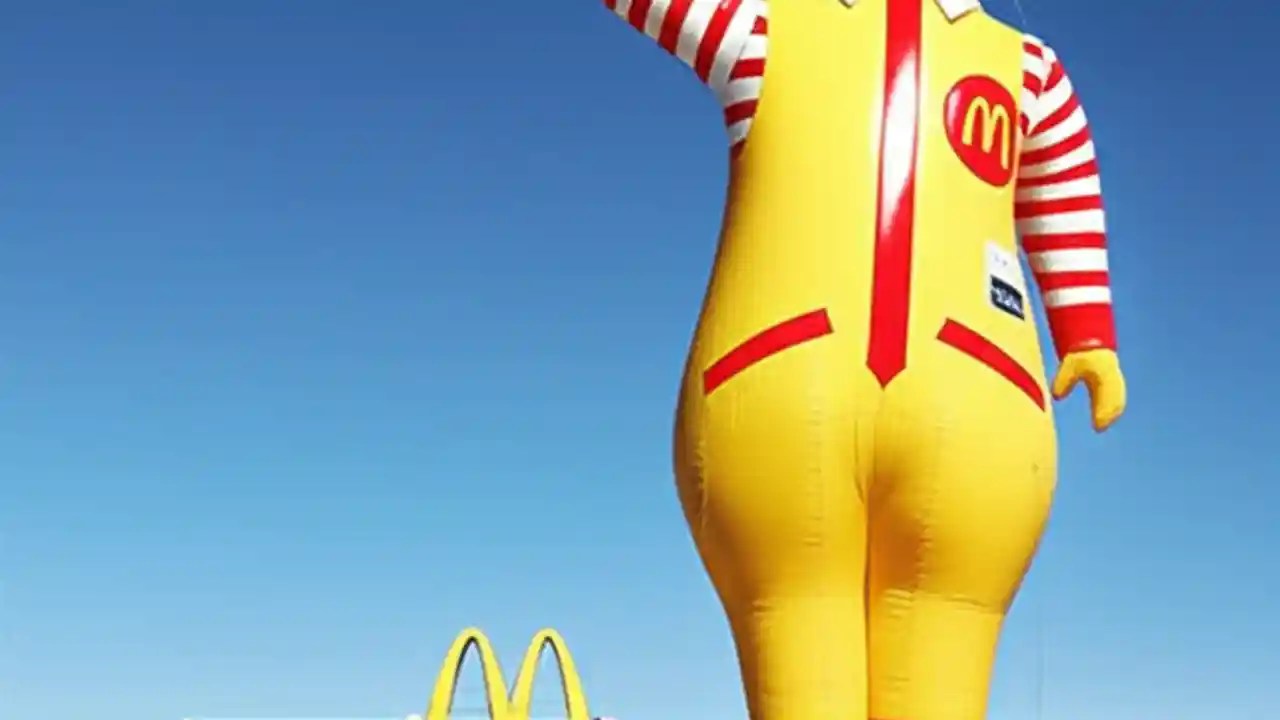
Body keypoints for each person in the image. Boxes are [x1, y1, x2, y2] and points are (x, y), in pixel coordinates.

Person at [598, 1, 1126, 719]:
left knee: (937, 651)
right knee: (804, 645)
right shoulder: (767, 25)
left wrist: (1088, 332)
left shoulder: (1027, 70)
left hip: (947, 409)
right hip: (804, 399)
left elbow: (1060, 179)